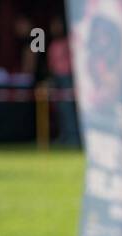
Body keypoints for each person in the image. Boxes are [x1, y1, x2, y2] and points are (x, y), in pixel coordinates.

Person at [48, 16, 80, 147]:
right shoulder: (53, 44)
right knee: (60, 109)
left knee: (69, 109)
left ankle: (73, 137)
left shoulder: (69, 42)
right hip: (57, 78)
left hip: (68, 77)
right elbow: (51, 63)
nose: (55, 29)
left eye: (58, 25)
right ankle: (64, 136)